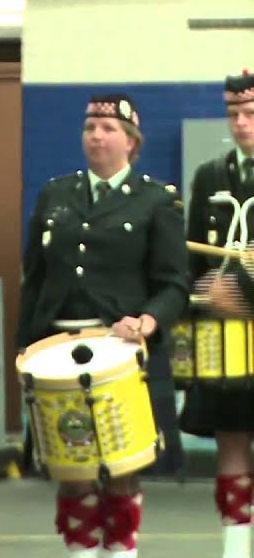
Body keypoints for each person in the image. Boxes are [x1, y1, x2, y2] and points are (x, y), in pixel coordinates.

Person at [18, 94, 186, 558]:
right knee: (72, 467)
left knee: (121, 469)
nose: (96, 136)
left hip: (121, 351)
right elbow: (35, 277)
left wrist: (148, 320)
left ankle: (122, 553)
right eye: (90, 127)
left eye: (108, 129)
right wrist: (24, 348)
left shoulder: (157, 200)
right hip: (55, 348)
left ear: (131, 142)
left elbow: (174, 282)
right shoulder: (56, 194)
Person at [179, 69, 254, 558]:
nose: (241, 122)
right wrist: (201, 295)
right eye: (233, 114)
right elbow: (191, 260)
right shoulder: (210, 176)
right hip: (222, 334)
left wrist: (243, 293)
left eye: (250, 113)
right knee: (230, 439)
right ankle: (235, 545)